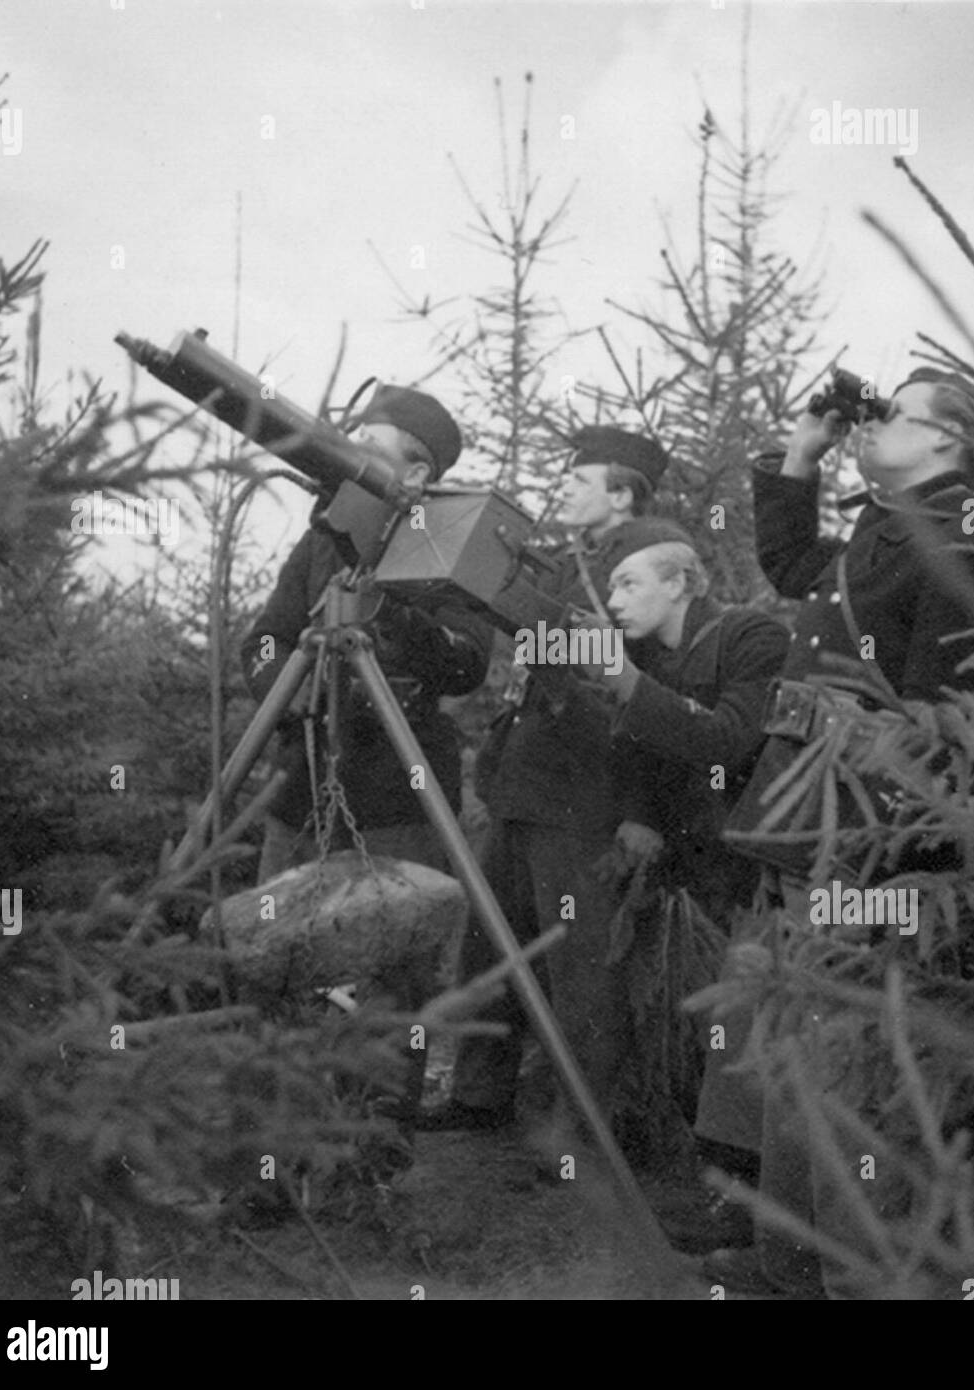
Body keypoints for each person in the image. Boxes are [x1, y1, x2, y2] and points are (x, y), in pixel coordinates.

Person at [706, 367, 974, 1296]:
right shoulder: (893, 531)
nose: (870, 426)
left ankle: (849, 1276)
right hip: (817, 823)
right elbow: (798, 568)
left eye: (892, 414)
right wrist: (802, 454)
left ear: (948, 444)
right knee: (797, 1034)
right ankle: (787, 1261)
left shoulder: (968, 547)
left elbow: (951, 728)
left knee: (846, 1060)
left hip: (877, 843)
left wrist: (879, 857)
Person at [416, 426, 671, 1137]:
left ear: (621, 494)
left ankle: (580, 1123)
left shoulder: (650, 561)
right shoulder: (569, 562)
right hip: (525, 781)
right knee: (492, 943)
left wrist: (642, 807)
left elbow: (643, 683)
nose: (562, 489)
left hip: (588, 789)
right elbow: (536, 645)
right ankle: (477, 1092)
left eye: (579, 480)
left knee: (579, 966)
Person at [571, 525, 790, 1191]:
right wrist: (639, 812)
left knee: (742, 1023)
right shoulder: (645, 654)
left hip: (747, 864)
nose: (614, 598)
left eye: (630, 582)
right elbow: (635, 751)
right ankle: (686, 1159)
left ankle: (739, 1184)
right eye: (609, 585)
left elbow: (727, 738)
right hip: (685, 865)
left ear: (680, 582)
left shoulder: (752, 636)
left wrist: (627, 683)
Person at [241, 383, 493, 883]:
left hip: (396, 802)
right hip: (299, 797)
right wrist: (290, 694)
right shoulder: (323, 538)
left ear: (416, 473)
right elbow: (266, 639)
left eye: (370, 449)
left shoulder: (451, 546)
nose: (349, 458)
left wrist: (393, 616)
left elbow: (466, 663)